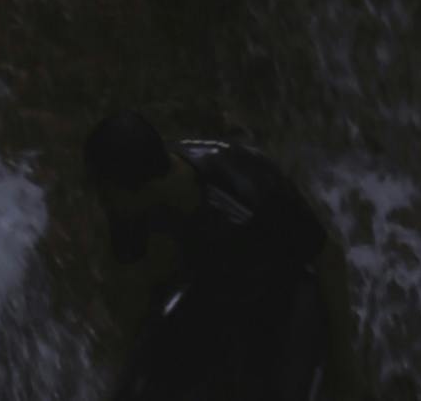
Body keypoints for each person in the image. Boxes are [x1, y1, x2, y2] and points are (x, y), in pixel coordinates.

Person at [83, 111, 357, 401]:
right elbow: (136, 293)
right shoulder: (128, 208)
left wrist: (345, 367)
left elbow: (328, 259)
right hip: (213, 282)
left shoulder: (245, 190)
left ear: (140, 188)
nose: (99, 201)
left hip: (289, 290)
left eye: (104, 192)